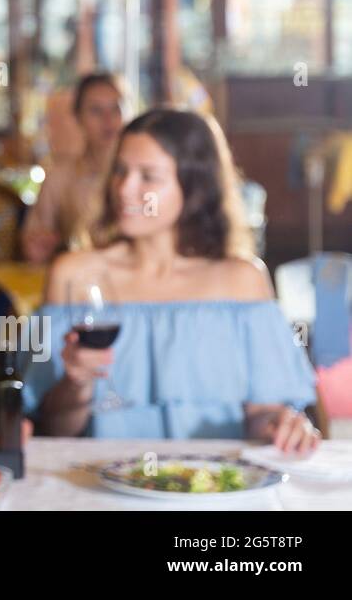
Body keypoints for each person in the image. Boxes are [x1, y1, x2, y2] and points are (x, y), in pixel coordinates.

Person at [26, 108, 320, 453]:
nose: (125, 188)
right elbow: (50, 430)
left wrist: (282, 425)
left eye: (148, 176)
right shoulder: (74, 275)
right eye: (120, 171)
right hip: (99, 491)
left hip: (216, 491)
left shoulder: (242, 281)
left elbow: (262, 414)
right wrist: (76, 385)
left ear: (194, 187)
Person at [22, 73, 127, 264]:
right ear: (78, 118)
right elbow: (35, 241)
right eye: (96, 110)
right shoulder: (59, 177)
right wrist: (39, 247)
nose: (108, 119)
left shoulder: (137, 178)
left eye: (115, 109)